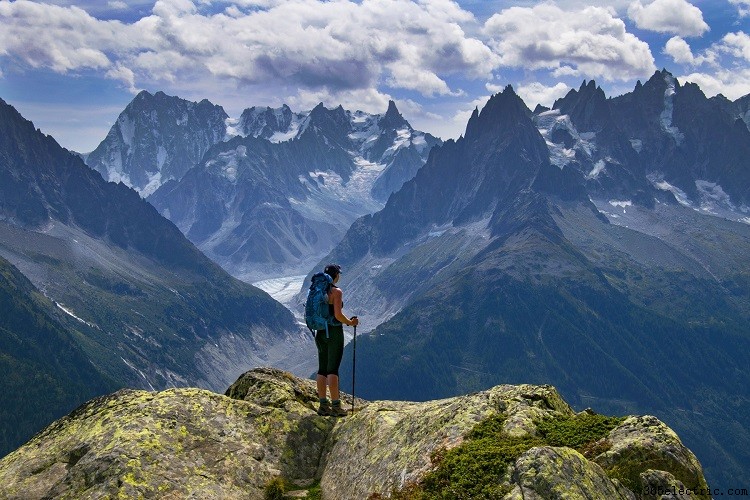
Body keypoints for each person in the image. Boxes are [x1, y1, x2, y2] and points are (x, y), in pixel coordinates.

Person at [316, 263, 359, 417]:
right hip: (333, 333)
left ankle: (322, 406)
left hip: (320, 332)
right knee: (332, 370)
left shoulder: (317, 290)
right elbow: (338, 315)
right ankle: (335, 406)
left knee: (322, 369)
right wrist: (350, 322)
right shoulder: (336, 292)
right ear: (336, 276)